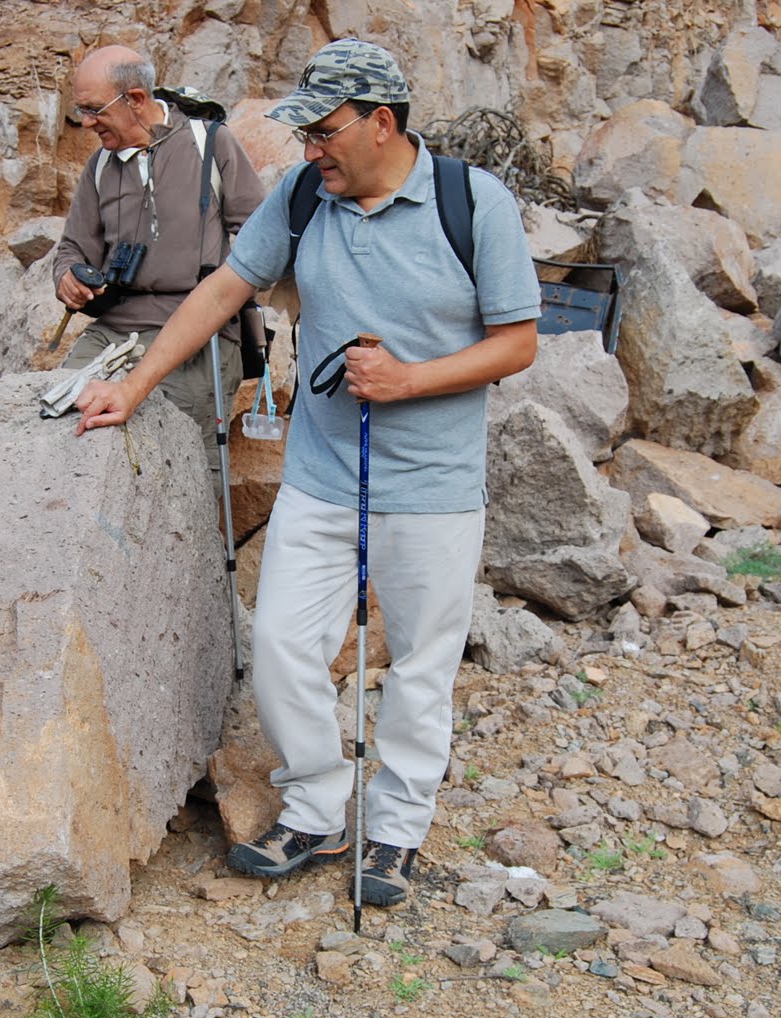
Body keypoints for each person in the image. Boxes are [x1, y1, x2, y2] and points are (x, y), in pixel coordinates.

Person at [74, 39, 541, 907]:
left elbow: (517, 341)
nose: (308, 150)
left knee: (420, 666)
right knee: (285, 644)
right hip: (325, 474)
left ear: (382, 123)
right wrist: (132, 384)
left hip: (432, 486)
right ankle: (318, 806)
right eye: (304, 134)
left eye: (323, 133)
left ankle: (396, 831)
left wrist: (410, 379)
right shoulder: (299, 196)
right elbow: (221, 293)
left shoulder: (473, 204)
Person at [52, 45, 265, 477]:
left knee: (180, 461)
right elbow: (72, 248)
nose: (87, 123)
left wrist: (222, 293)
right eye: (81, 110)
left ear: (135, 98)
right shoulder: (100, 165)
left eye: (94, 110)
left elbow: (262, 241)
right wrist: (67, 278)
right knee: (64, 414)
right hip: (114, 326)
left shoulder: (211, 145)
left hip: (199, 330)